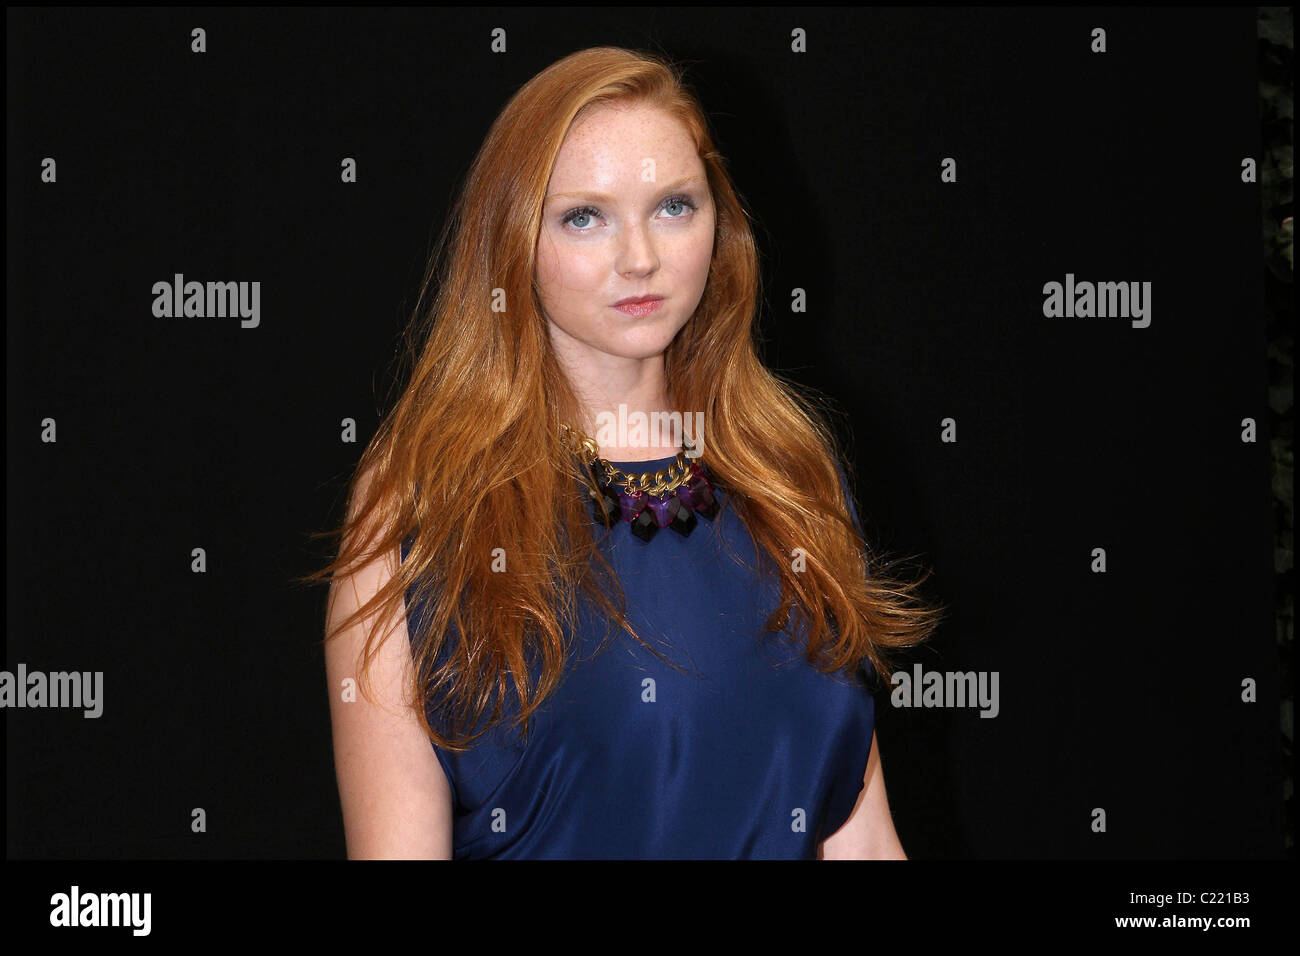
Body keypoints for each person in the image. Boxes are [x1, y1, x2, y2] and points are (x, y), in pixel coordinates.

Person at [305, 46, 943, 859]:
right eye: (585, 216)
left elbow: (862, 837)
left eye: (675, 206)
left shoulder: (789, 470)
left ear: (722, 220)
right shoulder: (427, 496)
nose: (640, 256)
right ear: (510, 239)